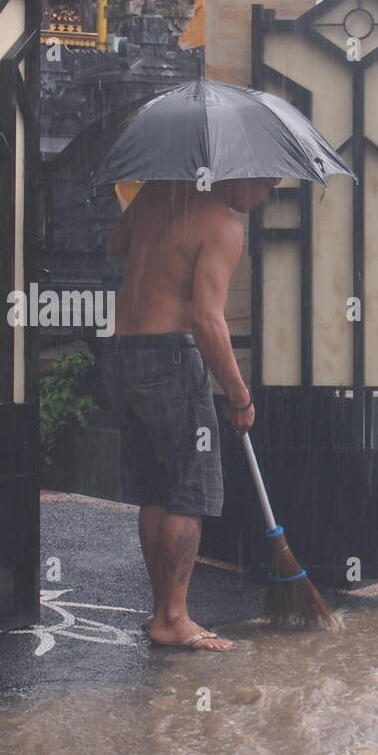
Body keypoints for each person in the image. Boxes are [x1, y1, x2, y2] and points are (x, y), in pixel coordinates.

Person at [100, 177, 276, 651]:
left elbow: (115, 244)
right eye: (265, 185)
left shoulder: (159, 195)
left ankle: (161, 611)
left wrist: (148, 219)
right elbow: (206, 320)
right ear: (236, 174)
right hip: (170, 359)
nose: (265, 198)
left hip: (121, 352)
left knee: (154, 489)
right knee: (188, 490)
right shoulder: (223, 224)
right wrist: (239, 397)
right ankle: (174, 617)